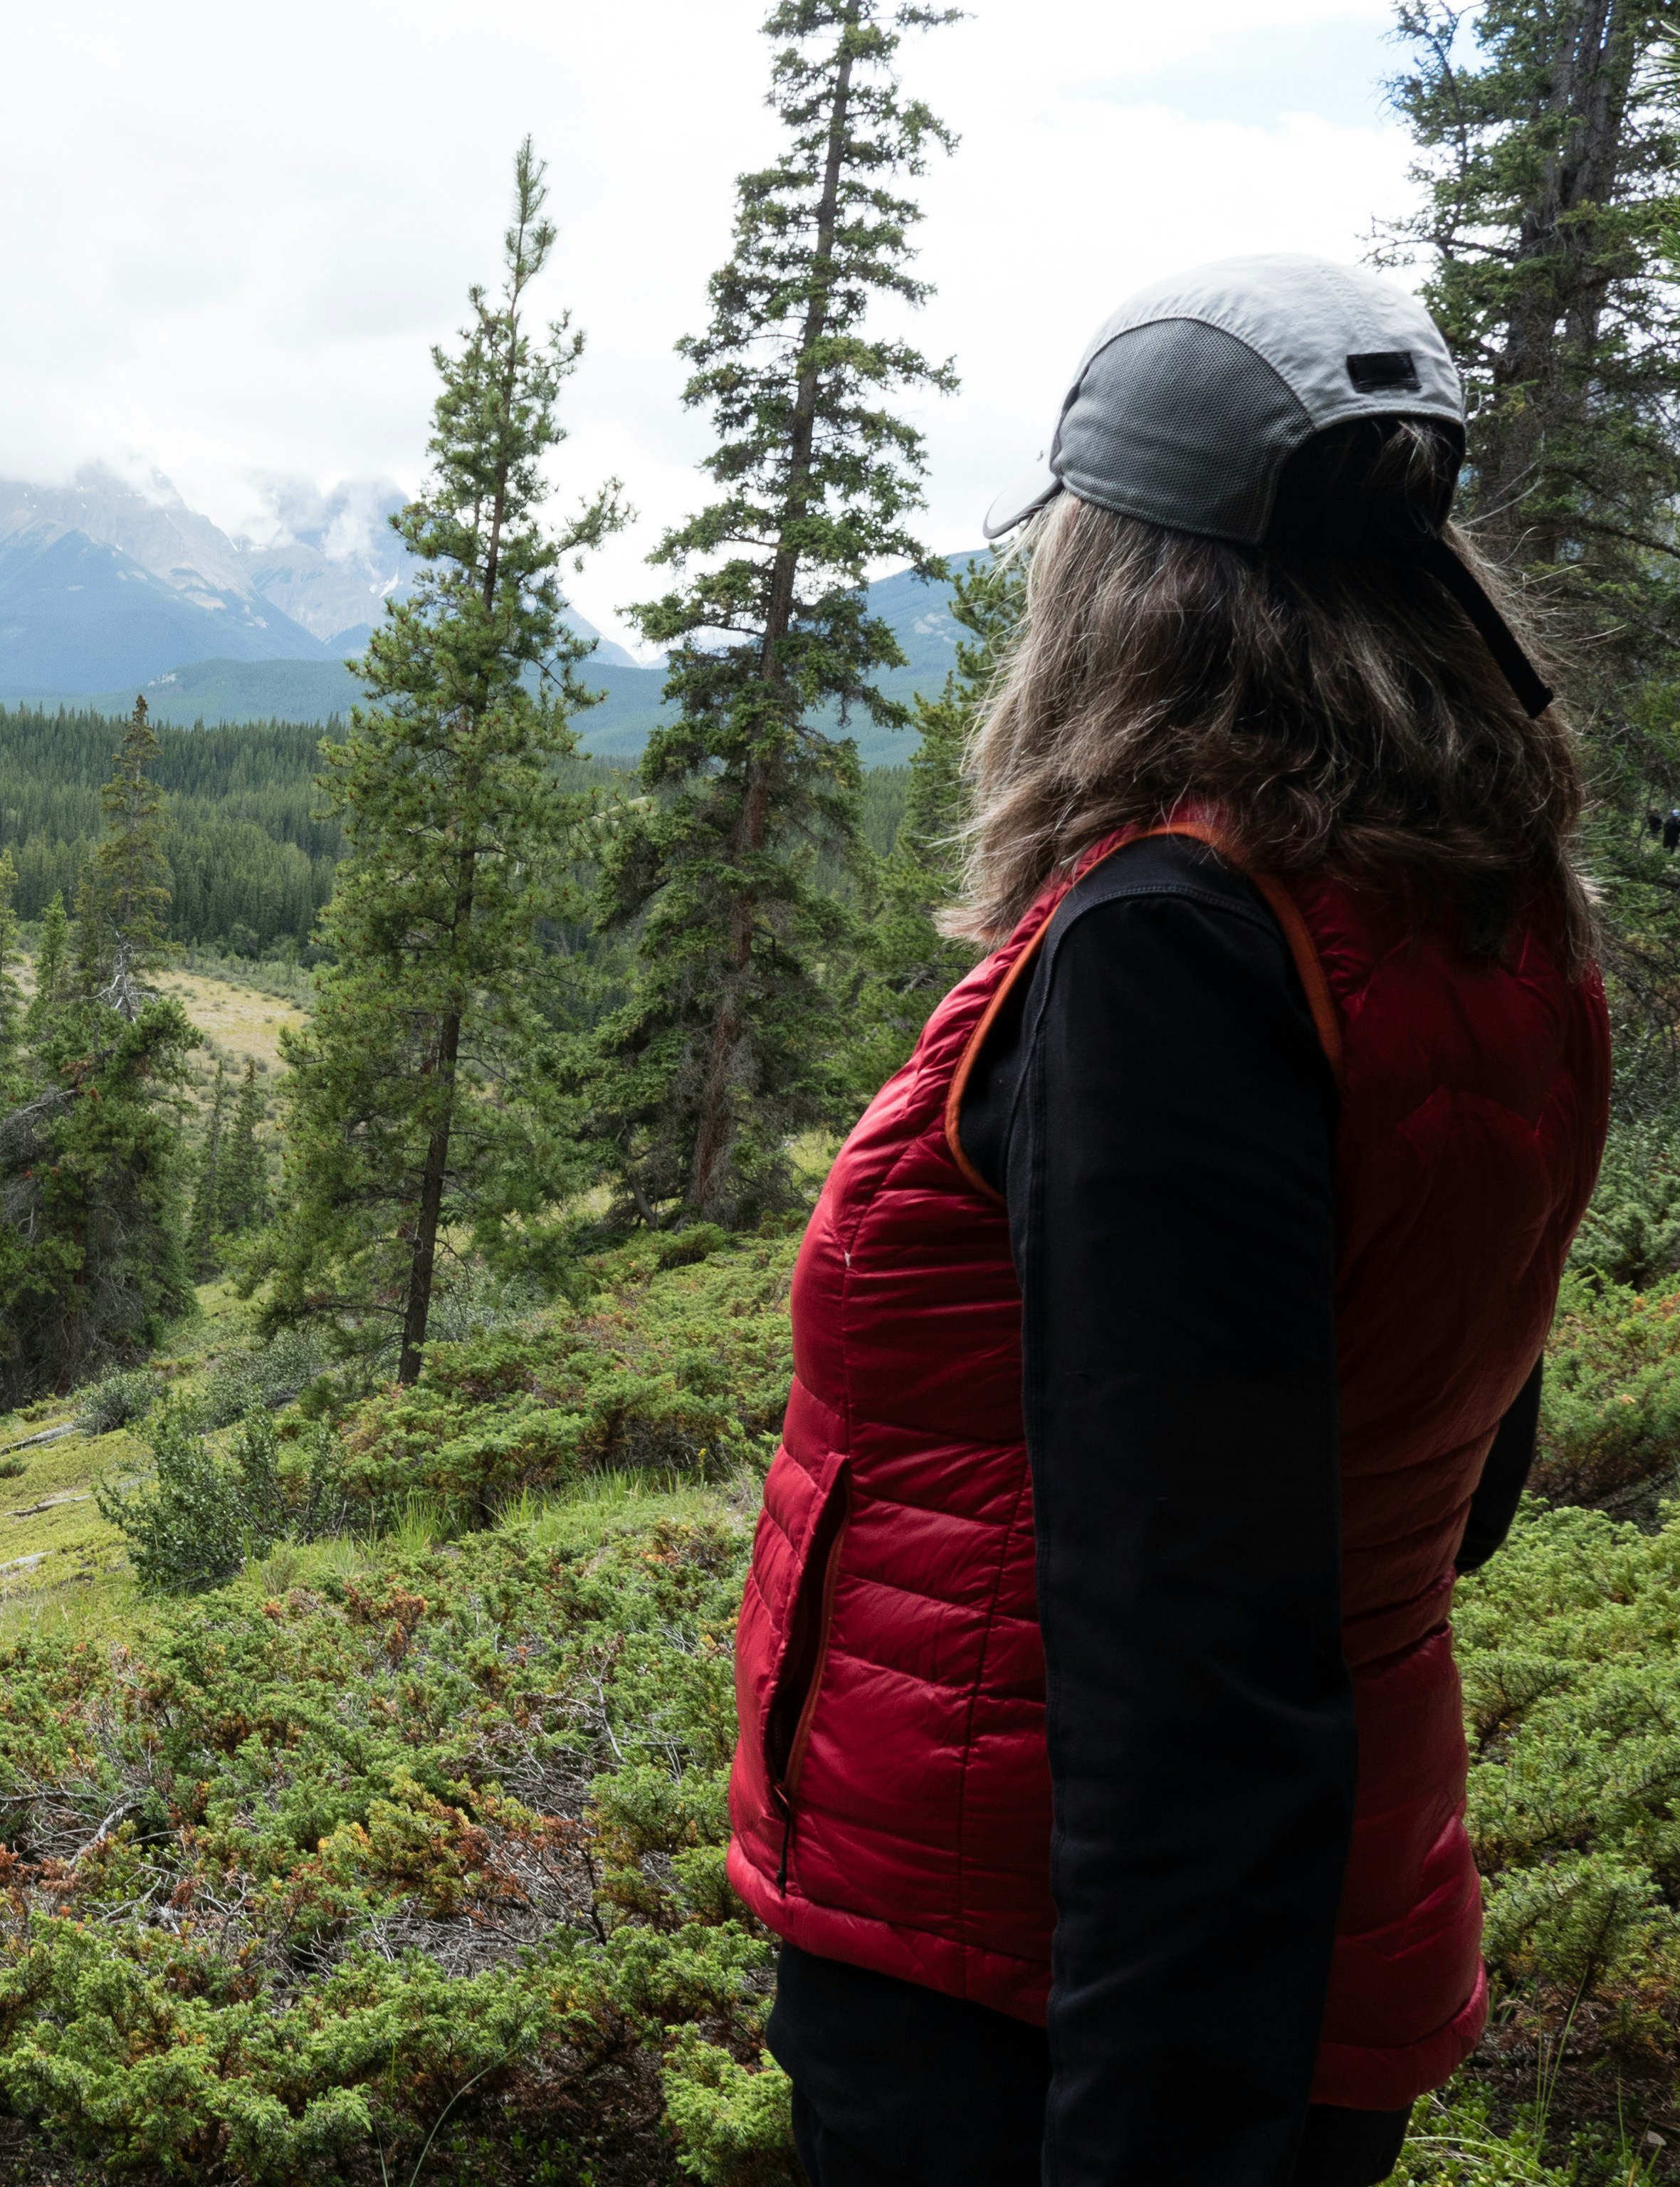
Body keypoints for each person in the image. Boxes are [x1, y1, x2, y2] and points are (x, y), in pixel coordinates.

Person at [728, 256, 1610, 2187]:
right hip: (1301, 1941)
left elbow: (1186, 1642)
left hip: (1034, 1986)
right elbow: (1448, 1467)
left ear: (1121, 582)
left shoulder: (1177, 946)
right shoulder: (1488, 919)